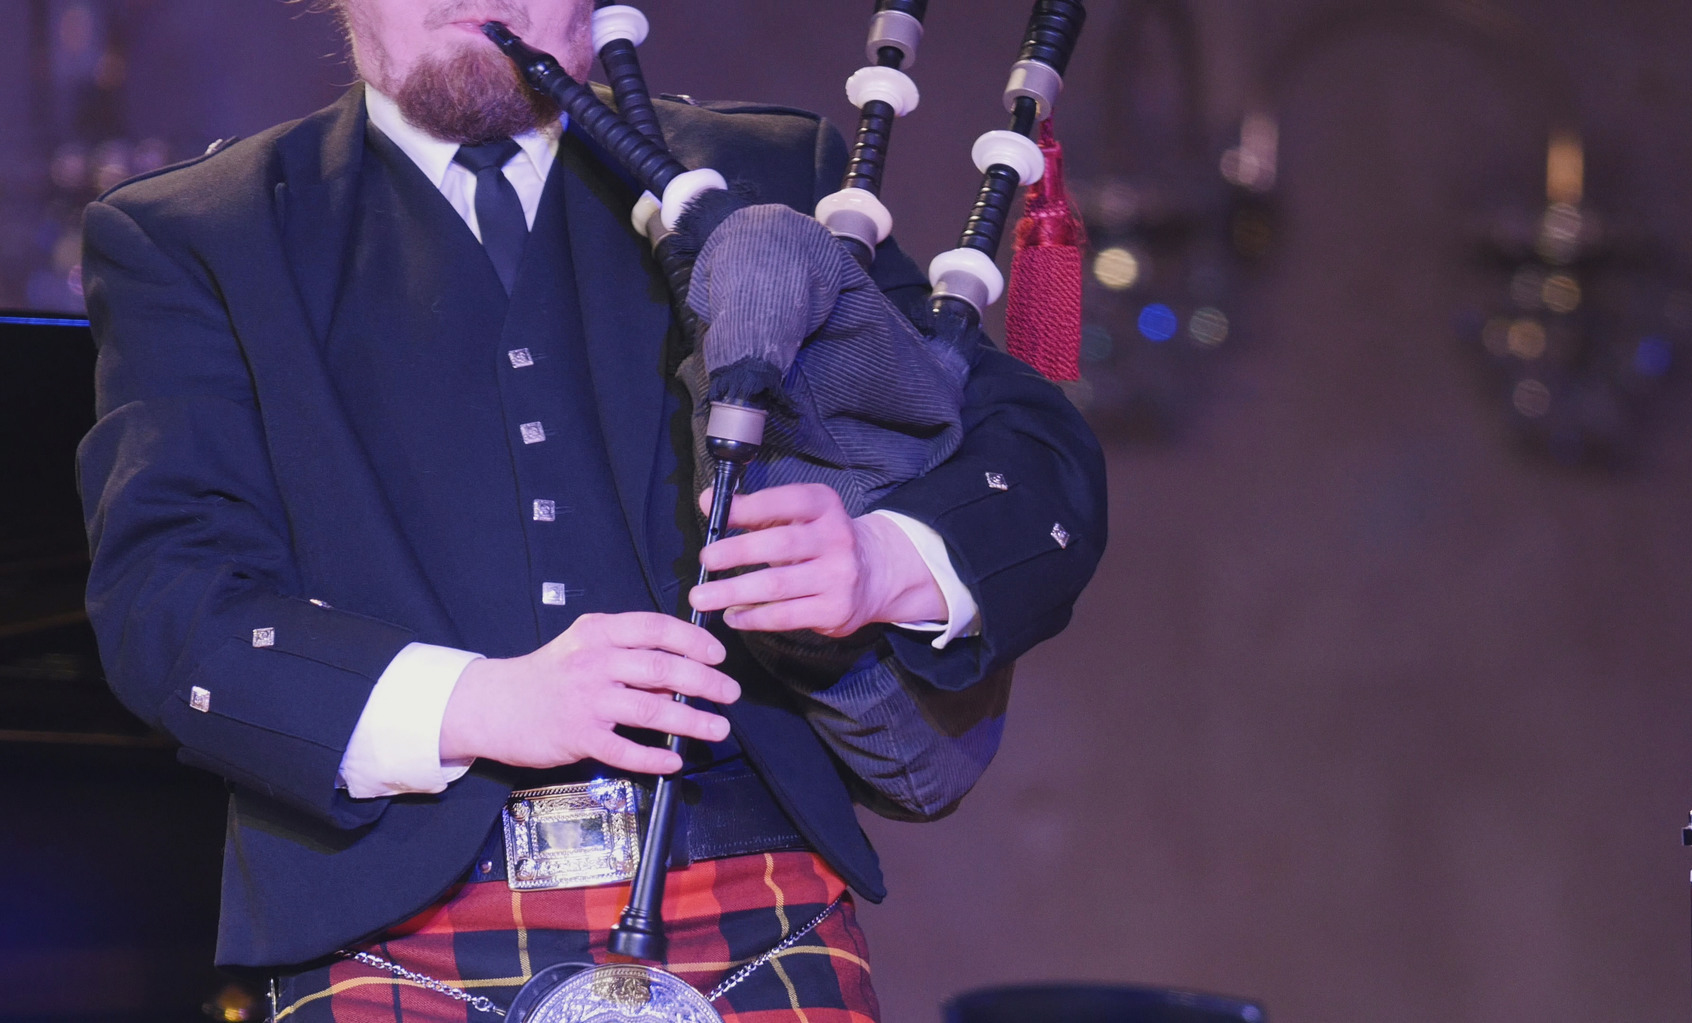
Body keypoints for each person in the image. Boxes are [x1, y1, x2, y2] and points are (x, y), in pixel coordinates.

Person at [77, 0, 1105, 1019]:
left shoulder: (769, 172)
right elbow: (167, 599)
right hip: (388, 935)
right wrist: (482, 702)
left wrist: (883, 559)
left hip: (757, 906)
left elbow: (1035, 455)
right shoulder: (197, 235)